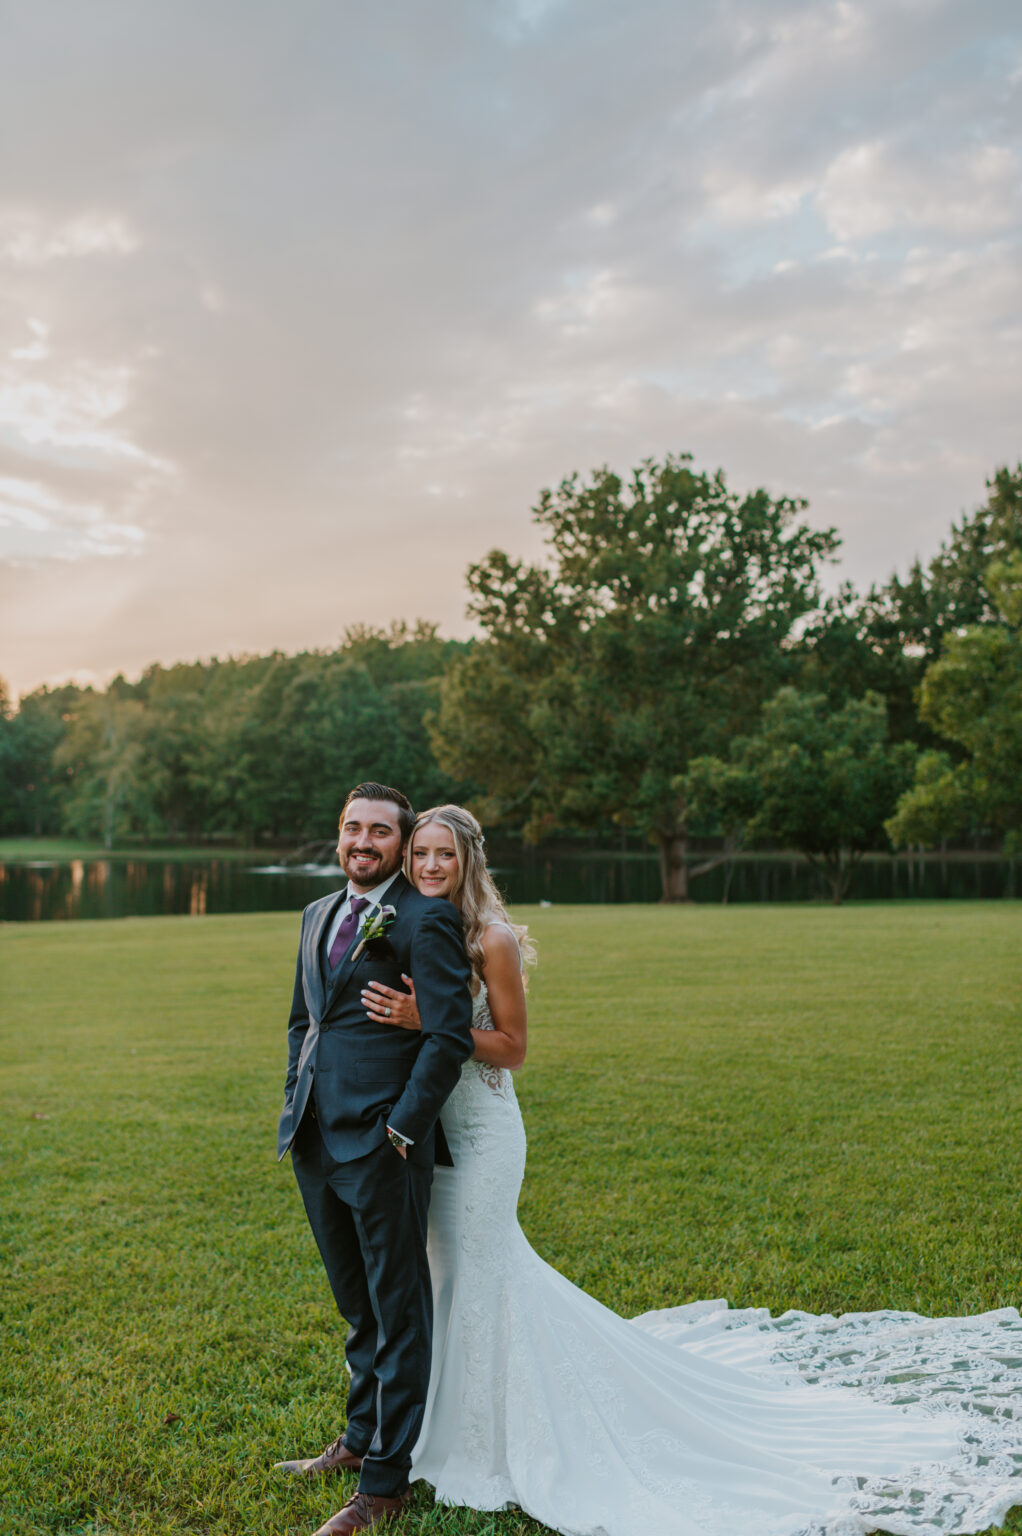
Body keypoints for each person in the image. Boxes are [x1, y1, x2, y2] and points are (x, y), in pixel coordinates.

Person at [360, 803, 1022, 1536]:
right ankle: (430, 1430)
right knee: (447, 1276)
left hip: (483, 1136)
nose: (427, 866)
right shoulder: (419, 930)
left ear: (469, 862)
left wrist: (433, 1024)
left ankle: (484, 1445)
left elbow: (513, 1047)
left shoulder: (493, 938)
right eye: (419, 852)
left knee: (485, 1276)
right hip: (435, 1141)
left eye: (442, 855)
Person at [274, 783, 474, 1536]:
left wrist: (403, 1129)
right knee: (355, 1306)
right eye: (353, 827)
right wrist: (296, 1099)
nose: (364, 841)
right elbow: (305, 1022)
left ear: (401, 840)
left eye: (380, 831)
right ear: (340, 834)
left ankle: (385, 1483)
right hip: (316, 1140)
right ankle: (358, 1442)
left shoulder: (425, 919)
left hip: (385, 1145)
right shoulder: (316, 914)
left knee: (398, 1312)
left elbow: (450, 1036)